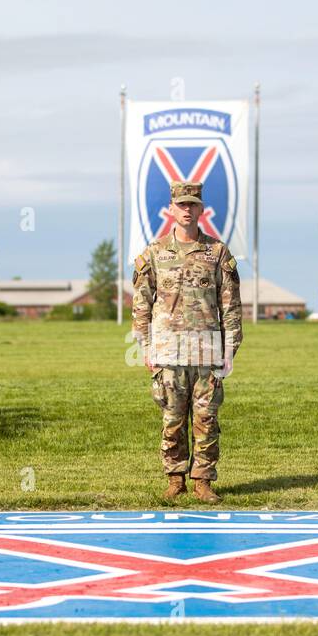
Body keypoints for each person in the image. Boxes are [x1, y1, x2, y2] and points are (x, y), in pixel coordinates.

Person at [131, 180, 242, 503]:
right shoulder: (154, 253)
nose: (188, 210)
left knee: (206, 420)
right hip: (168, 351)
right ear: (171, 210)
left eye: (193, 204)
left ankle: (203, 481)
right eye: (182, 205)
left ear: (201, 209)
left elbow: (230, 305)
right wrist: (146, 347)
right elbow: (141, 304)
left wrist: (230, 348)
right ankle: (175, 478)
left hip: (208, 350)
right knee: (173, 419)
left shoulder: (217, 252)